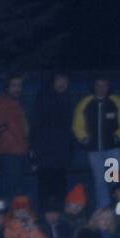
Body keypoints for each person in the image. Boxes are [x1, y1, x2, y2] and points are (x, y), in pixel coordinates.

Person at [72, 76, 120, 211]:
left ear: (108, 87)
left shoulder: (116, 102)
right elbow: (77, 125)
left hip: (112, 151)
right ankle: (104, 212)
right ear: (94, 86)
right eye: (98, 85)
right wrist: (84, 139)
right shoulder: (85, 102)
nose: (101, 88)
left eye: (104, 85)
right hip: (94, 152)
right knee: (100, 182)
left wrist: (118, 136)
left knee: (114, 181)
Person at [32, 72, 74, 209]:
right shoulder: (44, 98)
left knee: (60, 190)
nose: (62, 83)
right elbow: (37, 127)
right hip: (46, 155)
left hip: (61, 155)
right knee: (46, 190)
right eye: (59, 80)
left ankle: (59, 219)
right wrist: (36, 153)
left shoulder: (67, 99)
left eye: (65, 80)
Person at [0, 74, 30, 203]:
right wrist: (17, 147)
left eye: (20, 85)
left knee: (18, 190)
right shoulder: (2, 103)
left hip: (20, 152)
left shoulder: (20, 103)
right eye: (14, 85)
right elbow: (2, 129)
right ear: (7, 87)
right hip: (10, 154)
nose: (18, 88)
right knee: (11, 192)